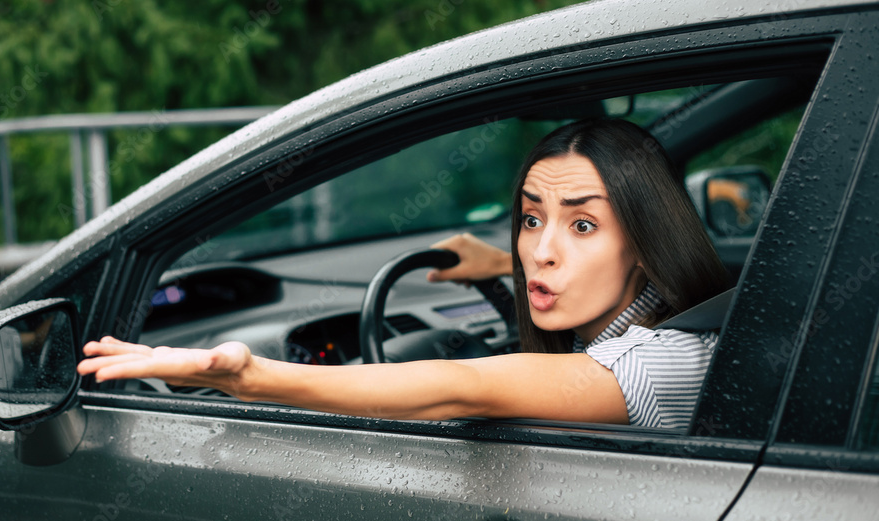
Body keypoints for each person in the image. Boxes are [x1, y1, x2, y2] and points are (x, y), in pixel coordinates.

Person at [78, 119, 730, 429]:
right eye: (531, 220)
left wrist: (249, 376)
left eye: (582, 225)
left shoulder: (657, 363)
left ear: (644, 243)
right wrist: (498, 261)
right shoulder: (666, 324)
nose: (542, 253)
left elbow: (464, 384)